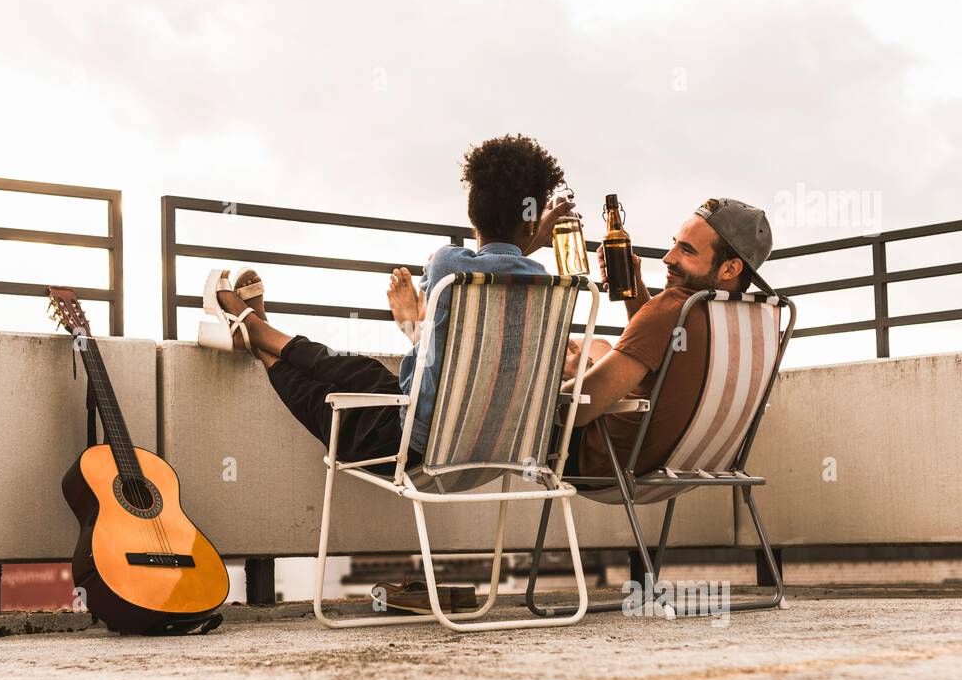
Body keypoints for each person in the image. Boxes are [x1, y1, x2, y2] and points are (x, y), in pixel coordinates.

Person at [197, 133, 573, 483]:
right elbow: (502, 270)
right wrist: (530, 238)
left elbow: (483, 270)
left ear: (473, 214)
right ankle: (261, 333)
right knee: (359, 369)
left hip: (415, 449)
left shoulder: (449, 265)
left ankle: (259, 338)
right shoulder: (548, 288)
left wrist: (412, 320)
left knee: (323, 398)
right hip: (499, 453)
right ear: (530, 224)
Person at [560, 197, 776, 479]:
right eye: (674, 243)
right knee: (599, 346)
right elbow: (666, 348)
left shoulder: (673, 307)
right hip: (695, 466)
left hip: (604, 462)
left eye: (686, 250)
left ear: (730, 269)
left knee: (562, 357)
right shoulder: (755, 319)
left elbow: (574, 412)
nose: (668, 257)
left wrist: (566, 378)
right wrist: (635, 286)